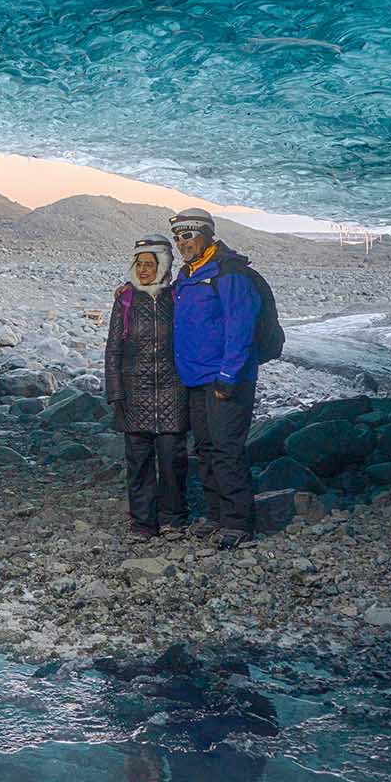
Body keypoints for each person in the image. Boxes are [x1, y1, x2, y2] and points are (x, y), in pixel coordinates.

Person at [169, 208, 261, 549]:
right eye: (178, 238)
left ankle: (238, 522)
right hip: (194, 378)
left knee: (226, 448)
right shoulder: (187, 275)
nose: (182, 243)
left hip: (226, 379)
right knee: (206, 449)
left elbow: (241, 327)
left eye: (188, 236)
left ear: (207, 235)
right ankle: (216, 515)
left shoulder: (228, 273)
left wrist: (228, 375)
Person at [104, 235, 190, 540]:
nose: (143, 269)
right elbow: (113, 349)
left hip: (172, 391)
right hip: (134, 393)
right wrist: (115, 392)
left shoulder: (178, 297)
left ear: (163, 264)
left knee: (172, 461)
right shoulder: (126, 300)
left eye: (149, 264)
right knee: (138, 462)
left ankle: (173, 518)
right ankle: (142, 522)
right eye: (139, 264)